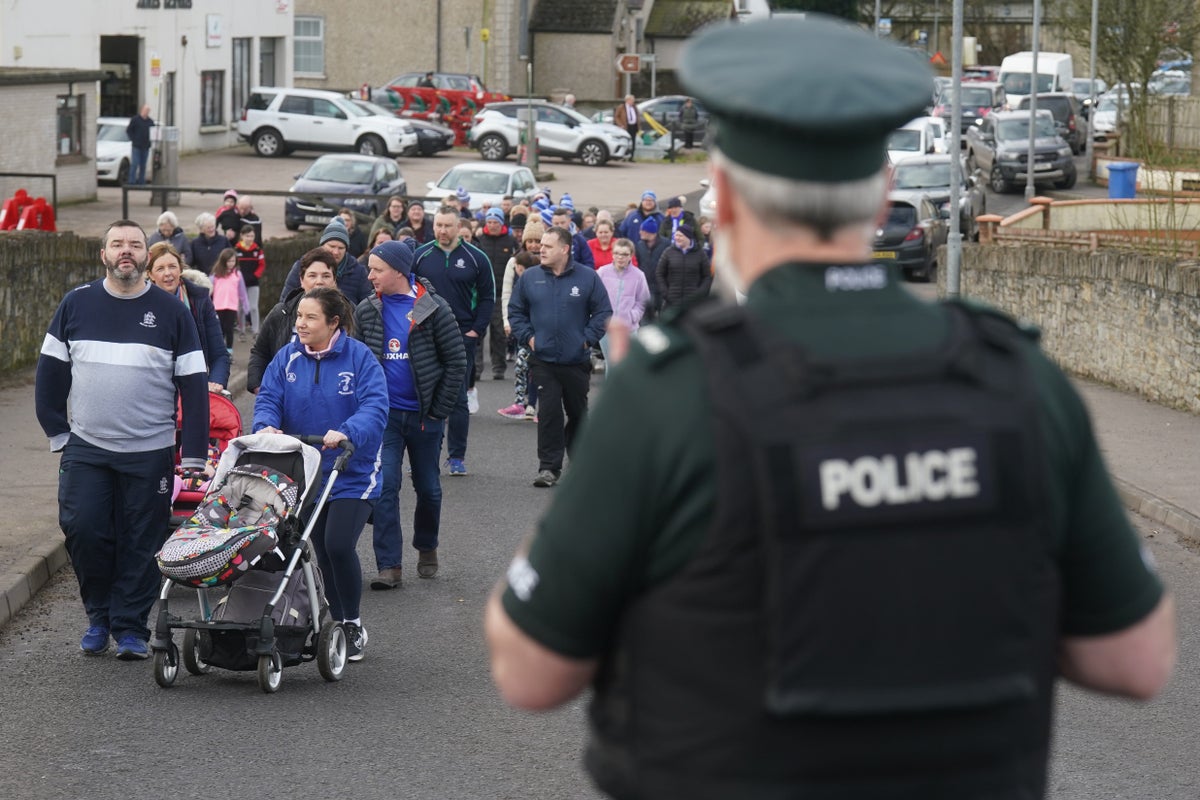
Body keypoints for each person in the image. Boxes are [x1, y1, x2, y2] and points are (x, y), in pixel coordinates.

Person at [484, 15, 1176, 799]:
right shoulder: (1015, 376)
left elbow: (530, 670)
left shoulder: (672, 391)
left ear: (729, 202)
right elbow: (1134, 658)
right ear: (882, 197)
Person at [35, 219, 209, 659]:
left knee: (142, 540)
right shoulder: (76, 304)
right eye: (117, 244)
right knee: (83, 529)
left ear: (146, 256)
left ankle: (130, 628)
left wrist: (192, 453)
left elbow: (193, 383)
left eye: (135, 244)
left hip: (149, 451)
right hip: (87, 448)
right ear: (104, 255)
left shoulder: (173, 312)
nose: (126, 250)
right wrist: (58, 431)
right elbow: (50, 373)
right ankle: (99, 617)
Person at [253, 287, 387, 662]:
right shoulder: (287, 357)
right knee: (321, 549)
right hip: (307, 469)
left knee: (339, 543)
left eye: (310, 318)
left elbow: (376, 406)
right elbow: (268, 398)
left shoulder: (359, 359)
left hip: (352, 469)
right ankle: (336, 621)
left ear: (334, 323)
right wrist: (266, 425)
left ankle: (353, 623)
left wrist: (347, 431)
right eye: (299, 317)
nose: (301, 324)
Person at [354, 241, 467, 589]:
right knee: (386, 485)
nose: (370, 275)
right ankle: (389, 566)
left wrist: (438, 410)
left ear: (399, 271)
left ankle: (427, 545)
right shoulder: (367, 310)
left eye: (377, 269)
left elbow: (456, 362)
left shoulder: (433, 308)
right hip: (384, 417)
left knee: (429, 489)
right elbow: (356, 361)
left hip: (424, 417)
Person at [507, 226, 611, 487]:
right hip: (543, 359)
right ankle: (548, 468)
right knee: (550, 412)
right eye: (540, 244)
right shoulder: (530, 278)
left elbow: (603, 312)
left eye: (548, 246)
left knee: (577, 412)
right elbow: (516, 312)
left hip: (576, 360)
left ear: (564, 249)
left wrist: (586, 339)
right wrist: (529, 338)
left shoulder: (588, 278)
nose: (540, 249)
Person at [411, 206, 496, 476]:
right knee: (422, 398)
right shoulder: (420, 255)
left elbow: (487, 297)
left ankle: (457, 456)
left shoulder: (476, 258)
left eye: (447, 226)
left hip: (461, 336)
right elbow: (409, 292)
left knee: (457, 399)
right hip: (425, 335)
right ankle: (424, 458)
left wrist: (476, 331)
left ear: (459, 227)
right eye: (438, 225)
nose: (442, 231)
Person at [247, 247, 338, 394]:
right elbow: (260, 352)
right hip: (285, 402)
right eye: (312, 275)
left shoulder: (350, 313)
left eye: (326, 276)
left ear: (334, 280)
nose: (319, 282)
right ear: (301, 280)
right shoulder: (281, 312)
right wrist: (259, 387)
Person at [146, 241, 230, 393]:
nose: (168, 273)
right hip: (154, 391)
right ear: (150, 274)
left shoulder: (200, 300)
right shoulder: (141, 304)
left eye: (172, 266)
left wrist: (215, 382)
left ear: (180, 269)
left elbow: (219, 355)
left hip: (193, 387)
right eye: (160, 268)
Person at [498, 222, 546, 419]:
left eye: (538, 241)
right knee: (521, 365)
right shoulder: (514, 261)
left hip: (542, 327)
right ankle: (520, 402)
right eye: (530, 240)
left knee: (539, 369)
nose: (534, 245)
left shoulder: (547, 264)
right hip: (523, 326)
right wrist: (506, 320)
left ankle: (534, 406)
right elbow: (507, 293)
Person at [279, 217, 373, 305]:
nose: (336, 252)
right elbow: (285, 302)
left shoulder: (358, 271)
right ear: (322, 245)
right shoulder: (302, 266)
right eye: (331, 246)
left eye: (341, 248)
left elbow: (367, 306)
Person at [475, 208, 518, 380]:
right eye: (489, 222)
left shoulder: (510, 240)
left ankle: (498, 367)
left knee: (499, 332)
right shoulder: (479, 240)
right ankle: (476, 369)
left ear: (501, 223)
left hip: (500, 293)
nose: (492, 225)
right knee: (478, 332)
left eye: (496, 222)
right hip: (481, 293)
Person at [595, 237, 650, 369]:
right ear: (612, 254)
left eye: (625, 254)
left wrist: (632, 317)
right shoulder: (602, 272)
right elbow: (593, 296)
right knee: (611, 365)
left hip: (629, 329)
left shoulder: (639, 275)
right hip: (606, 329)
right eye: (617, 253)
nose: (620, 257)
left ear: (631, 255)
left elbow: (643, 301)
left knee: (626, 366)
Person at [656, 223, 711, 310]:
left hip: (693, 304)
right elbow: (659, 273)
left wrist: (700, 294)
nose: (677, 238)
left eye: (680, 236)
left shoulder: (700, 254)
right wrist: (666, 293)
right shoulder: (668, 252)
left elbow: (707, 276)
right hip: (672, 302)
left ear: (688, 237)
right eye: (676, 235)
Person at [210, 247, 250, 350]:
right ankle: (219, 349)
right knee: (220, 329)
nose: (231, 263)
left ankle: (229, 351)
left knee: (229, 329)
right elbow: (208, 290)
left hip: (231, 306)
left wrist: (246, 308)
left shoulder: (237, 274)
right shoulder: (215, 275)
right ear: (223, 261)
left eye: (233, 261)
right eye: (229, 261)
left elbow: (242, 292)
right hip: (218, 306)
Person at [234, 224, 266, 336]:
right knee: (241, 308)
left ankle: (256, 330)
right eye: (247, 236)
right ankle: (241, 330)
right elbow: (233, 266)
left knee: (253, 307)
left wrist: (256, 275)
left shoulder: (258, 250)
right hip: (240, 284)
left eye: (252, 236)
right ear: (242, 236)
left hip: (253, 283)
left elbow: (262, 265)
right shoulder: (236, 249)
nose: (250, 238)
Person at [634, 216, 669, 316]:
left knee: (664, 316)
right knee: (647, 318)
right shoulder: (639, 245)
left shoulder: (666, 244)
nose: (640, 232)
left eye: (642, 230)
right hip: (646, 287)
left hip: (662, 287)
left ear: (649, 232)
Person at [125, 105, 154, 186]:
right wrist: (133, 139)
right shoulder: (135, 120)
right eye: (145, 110)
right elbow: (129, 130)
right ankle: (131, 181)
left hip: (146, 146)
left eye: (148, 111)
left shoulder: (150, 122)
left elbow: (153, 133)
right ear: (142, 110)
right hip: (136, 146)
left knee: (143, 165)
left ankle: (141, 181)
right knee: (135, 163)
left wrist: (150, 142)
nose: (146, 112)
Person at [616, 94, 640, 159]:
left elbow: (637, 115)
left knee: (633, 142)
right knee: (625, 141)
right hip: (626, 126)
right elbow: (617, 116)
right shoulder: (621, 107)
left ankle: (631, 156)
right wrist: (620, 124)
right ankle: (623, 156)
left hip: (634, 126)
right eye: (632, 100)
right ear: (627, 100)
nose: (633, 101)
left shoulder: (634, 107)